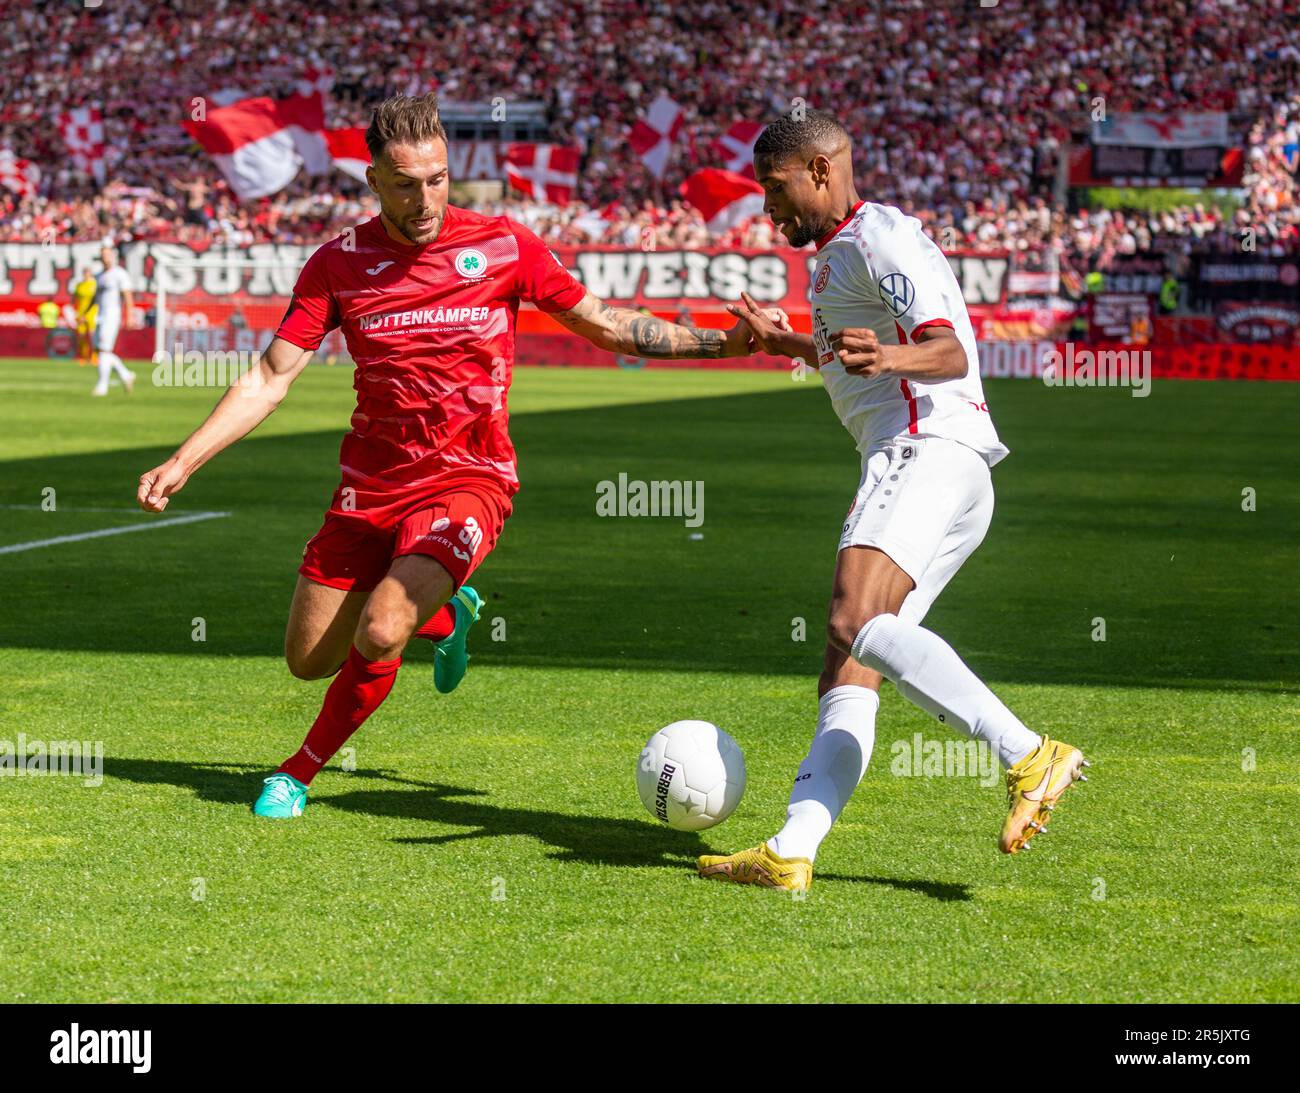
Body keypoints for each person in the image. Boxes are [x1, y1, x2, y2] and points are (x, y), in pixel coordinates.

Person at [135, 93, 782, 820]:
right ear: (374, 179)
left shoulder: (505, 246)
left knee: (381, 627)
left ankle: (297, 771)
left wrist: (723, 343)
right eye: (406, 183)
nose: (425, 199)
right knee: (308, 659)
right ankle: (447, 614)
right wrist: (183, 460)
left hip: (470, 480)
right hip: (370, 486)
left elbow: (604, 323)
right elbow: (268, 376)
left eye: (438, 179)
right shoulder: (336, 266)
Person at [702, 109, 1088, 892]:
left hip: (925, 450)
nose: (768, 210)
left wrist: (891, 354)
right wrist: (788, 343)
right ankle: (791, 850)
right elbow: (854, 356)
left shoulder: (879, 237)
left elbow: (950, 350)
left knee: (853, 620)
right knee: (848, 663)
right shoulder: (846, 248)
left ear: (820, 169)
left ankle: (1028, 753)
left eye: (775, 190)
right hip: (943, 465)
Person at [91, 247, 136, 396]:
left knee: (104, 350)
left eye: (108, 255)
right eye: (103, 255)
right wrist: (86, 312)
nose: (106, 258)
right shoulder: (98, 276)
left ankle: (102, 386)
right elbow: (96, 298)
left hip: (112, 315)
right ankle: (126, 374)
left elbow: (127, 296)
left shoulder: (119, 274)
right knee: (101, 350)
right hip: (100, 315)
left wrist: (130, 316)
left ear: (113, 256)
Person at [72, 268, 98, 366]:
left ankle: (95, 357)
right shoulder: (79, 285)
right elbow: (74, 298)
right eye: (84, 273)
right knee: (81, 337)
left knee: (93, 336)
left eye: (88, 273)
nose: (86, 275)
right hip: (80, 313)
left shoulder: (95, 285)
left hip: (93, 313)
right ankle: (84, 357)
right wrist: (74, 311)